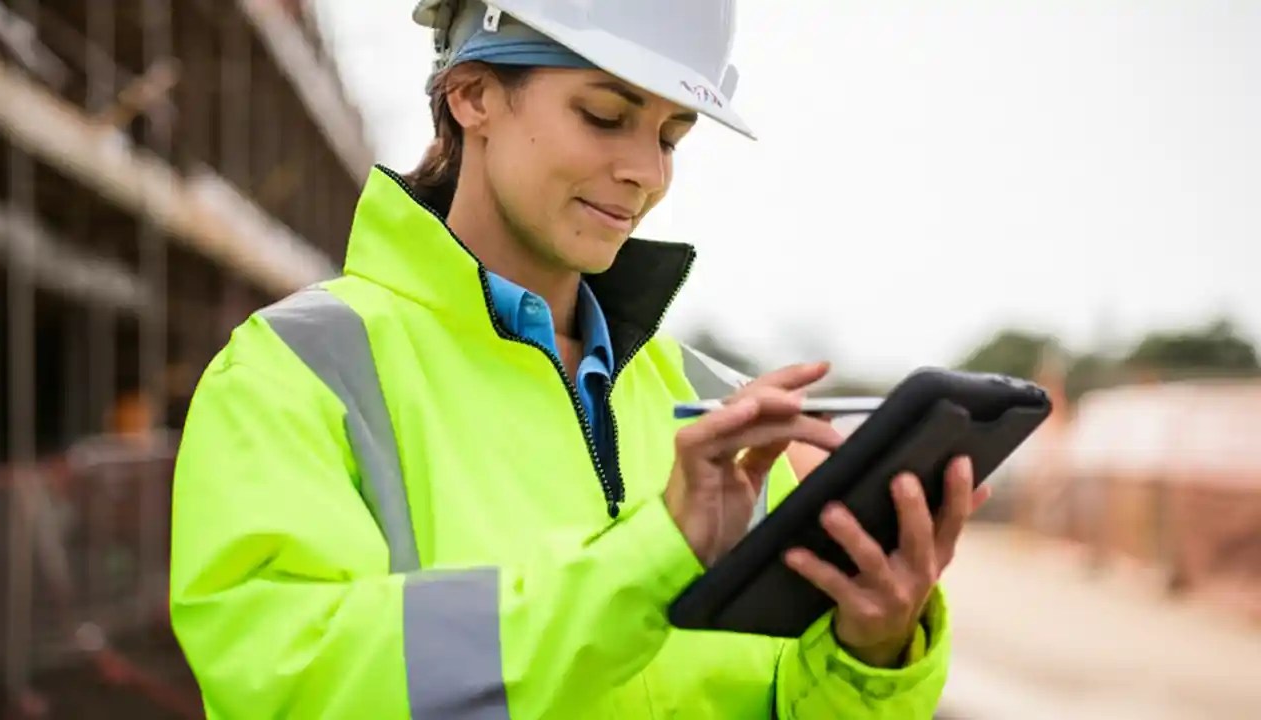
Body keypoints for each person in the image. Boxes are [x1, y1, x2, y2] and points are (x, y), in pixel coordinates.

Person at [168, 1, 990, 717]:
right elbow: (288, 691)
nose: (647, 173)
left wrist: (871, 653)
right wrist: (648, 561)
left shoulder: (723, 412)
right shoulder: (295, 376)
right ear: (473, 93)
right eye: (605, 115)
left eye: (672, 133)